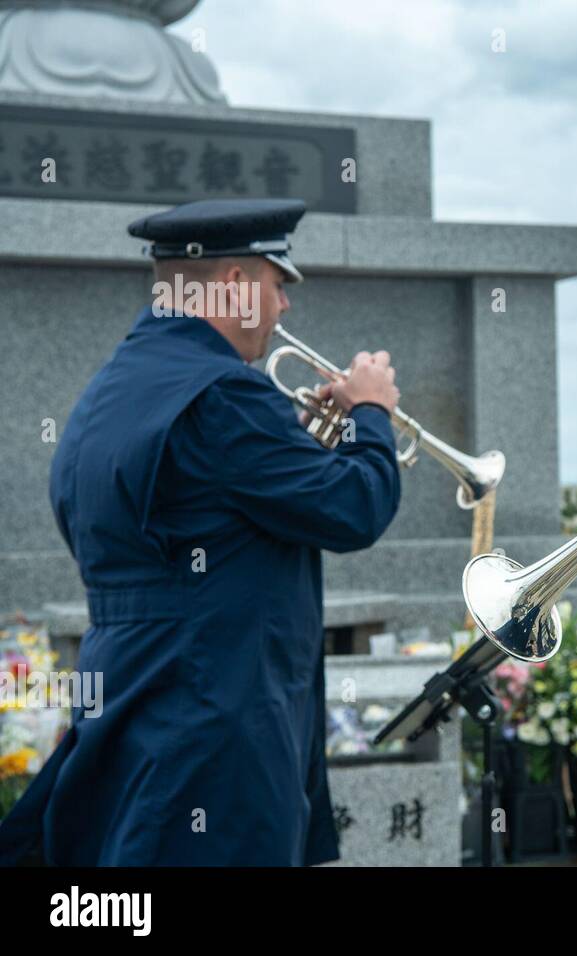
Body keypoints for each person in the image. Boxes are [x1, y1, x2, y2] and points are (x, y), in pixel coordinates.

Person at [0, 198, 402, 865]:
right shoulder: (225, 396)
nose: (284, 309)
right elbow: (355, 507)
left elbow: (200, 521)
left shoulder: (107, 392)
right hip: (218, 721)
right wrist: (370, 414)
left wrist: (290, 448)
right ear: (237, 288)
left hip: (134, 702)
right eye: (278, 286)